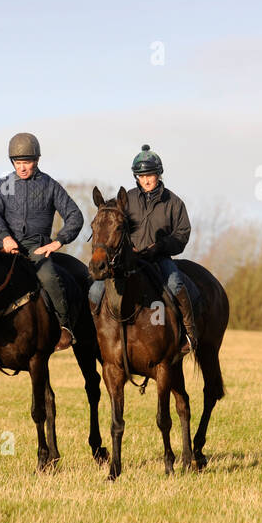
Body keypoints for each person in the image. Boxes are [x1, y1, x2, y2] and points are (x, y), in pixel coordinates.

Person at [89, 144, 199, 362]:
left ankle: (188, 333)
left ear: (159, 174)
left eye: (150, 175)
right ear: (136, 177)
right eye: (141, 176)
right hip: (128, 259)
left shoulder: (174, 203)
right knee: (94, 290)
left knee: (176, 283)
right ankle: (94, 337)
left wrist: (159, 247)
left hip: (159, 259)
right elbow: (110, 223)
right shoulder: (126, 200)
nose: (146, 180)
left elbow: (182, 234)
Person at [0, 132, 83, 351]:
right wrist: (5, 237)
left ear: (37, 160)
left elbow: (75, 216)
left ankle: (64, 327)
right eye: (18, 162)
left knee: (49, 276)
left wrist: (57, 242)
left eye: (27, 162)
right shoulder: (3, 184)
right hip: (5, 244)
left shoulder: (51, 185)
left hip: (36, 246)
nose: (22, 167)